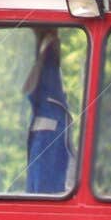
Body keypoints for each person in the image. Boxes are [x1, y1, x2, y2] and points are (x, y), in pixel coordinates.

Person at [24, 27, 72, 193]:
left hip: (47, 136)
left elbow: (27, 90)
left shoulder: (47, 55)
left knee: (41, 194)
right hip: (48, 133)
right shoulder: (41, 55)